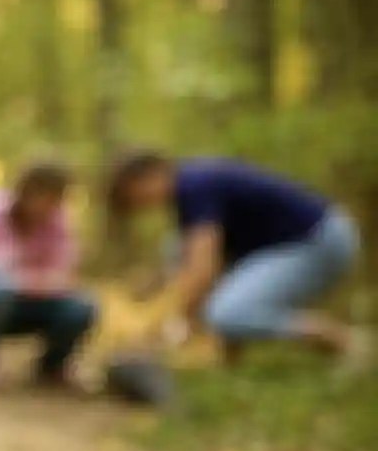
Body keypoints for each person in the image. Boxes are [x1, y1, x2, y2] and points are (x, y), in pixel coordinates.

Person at [106, 150, 363, 364]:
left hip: (317, 242)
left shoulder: (194, 185)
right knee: (176, 250)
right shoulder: (190, 188)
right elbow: (200, 263)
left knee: (227, 314)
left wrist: (173, 325)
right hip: (292, 244)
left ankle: (343, 341)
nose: (139, 206)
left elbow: (202, 271)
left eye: (133, 196)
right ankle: (231, 363)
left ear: (148, 175)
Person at [0, 162, 97, 390]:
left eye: (55, 198)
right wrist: (18, 272)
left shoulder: (58, 222)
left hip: (37, 301)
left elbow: (65, 269)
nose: (46, 205)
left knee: (82, 305)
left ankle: (53, 366)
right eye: (42, 195)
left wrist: (41, 280)